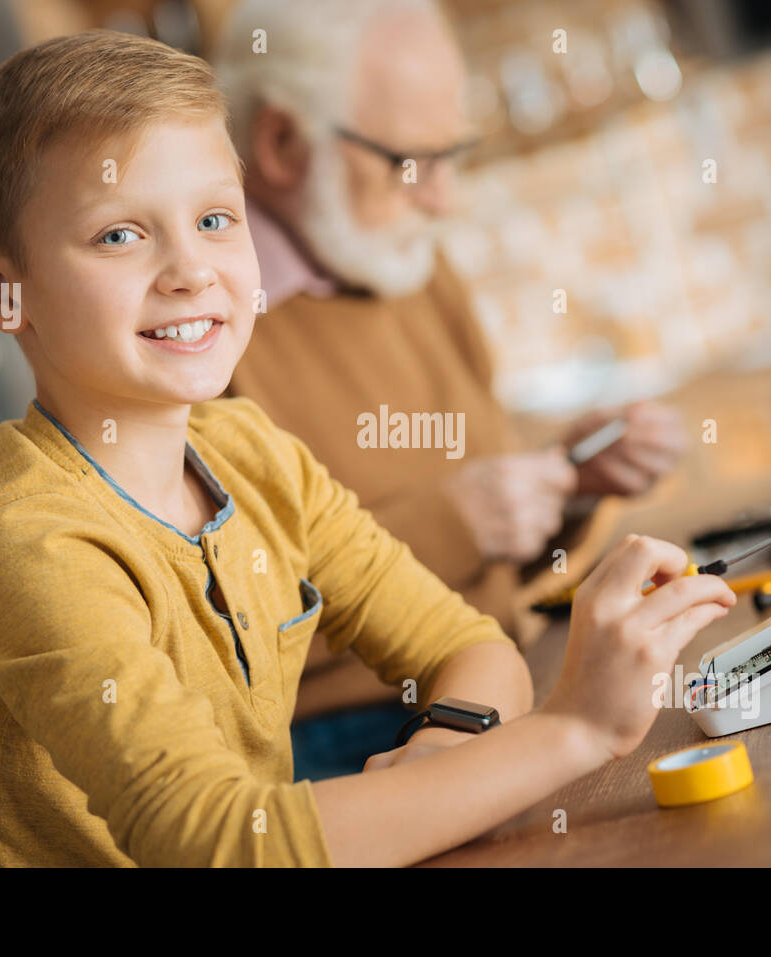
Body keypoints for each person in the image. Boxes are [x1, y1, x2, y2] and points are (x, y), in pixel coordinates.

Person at [0, 30, 734, 867]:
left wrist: (441, 756)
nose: (191, 270)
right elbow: (222, 843)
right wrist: (574, 728)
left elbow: (468, 643)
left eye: (213, 219)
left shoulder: (249, 451)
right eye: (119, 236)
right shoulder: (29, 543)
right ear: (0, 289)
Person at [212, 0, 689, 768]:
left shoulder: (411, 268)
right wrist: (455, 523)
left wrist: (566, 488)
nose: (443, 198)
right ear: (280, 143)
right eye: (409, 163)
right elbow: (229, 626)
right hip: (343, 740)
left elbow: (483, 567)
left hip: (494, 677)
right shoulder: (201, 331)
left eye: (449, 156)